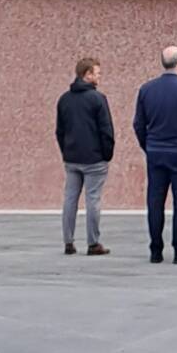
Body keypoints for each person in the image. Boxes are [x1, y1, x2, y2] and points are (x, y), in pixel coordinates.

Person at [133, 43, 177, 263]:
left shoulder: (146, 89)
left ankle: (156, 250)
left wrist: (149, 146)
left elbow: (138, 124)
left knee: (155, 201)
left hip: (156, 152)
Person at [56, 54, 115, 256]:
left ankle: (68, 242)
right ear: (87, 74)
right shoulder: (97, 99)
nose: (100, 77)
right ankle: (93, 243)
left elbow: (59, 131)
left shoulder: (64, 99)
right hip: (94, 159)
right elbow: (106, 130)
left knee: (70, 199)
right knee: (93, 200)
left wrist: (66, 151)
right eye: (97, 73)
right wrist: (107, 154)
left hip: (72, 158)